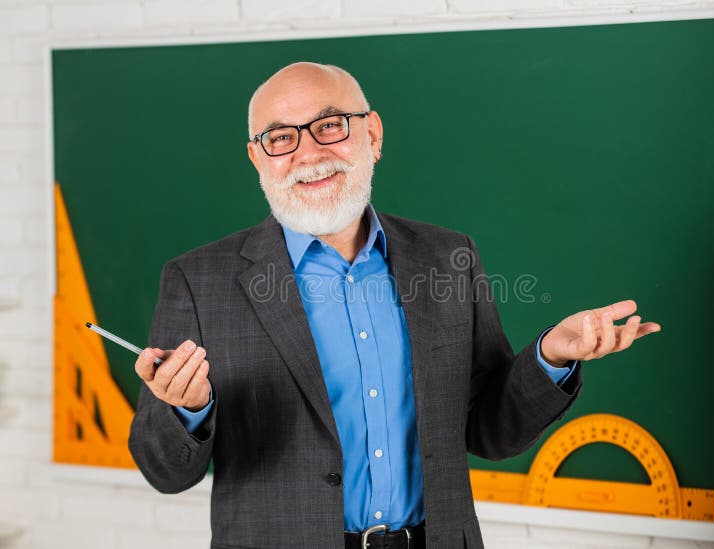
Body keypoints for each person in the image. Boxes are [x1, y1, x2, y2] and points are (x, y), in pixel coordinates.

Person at [128, 62, 661, 549]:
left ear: (373, 134)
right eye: (280, 137)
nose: (308, 154)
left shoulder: (449, 256)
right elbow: (164, 471)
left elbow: (489, 431)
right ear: (256, 157)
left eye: (330, 125)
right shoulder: (199, 281)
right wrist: (186, 409)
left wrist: (552, 355)